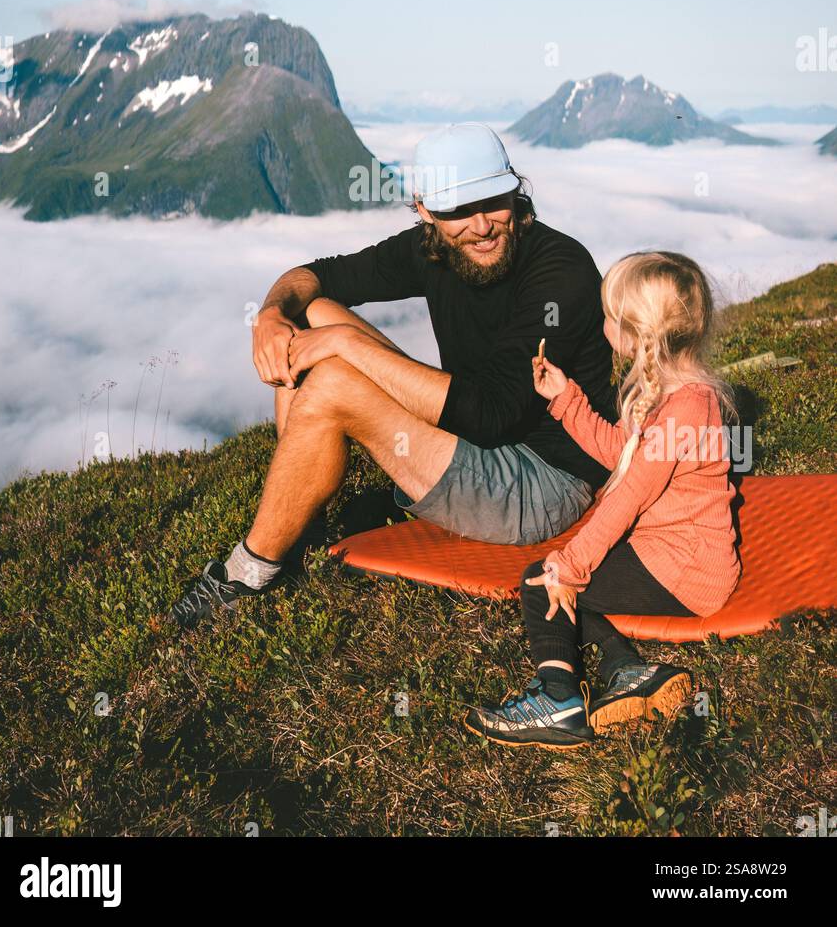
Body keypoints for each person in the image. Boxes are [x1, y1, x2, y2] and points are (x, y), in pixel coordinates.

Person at [169, 122, 614, 631]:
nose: (481, 225)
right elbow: (317, 275)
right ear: (425, 212)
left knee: (334, 378)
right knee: (312, 311)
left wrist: (346, 345)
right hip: (474, 438)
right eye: (456, 211)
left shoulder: (562, 272)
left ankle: (248, 575)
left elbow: (495, 413)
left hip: (545, 483)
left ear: (515, 192)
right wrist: (270, 314)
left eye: (493, 201)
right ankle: (297, 524)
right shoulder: (432, 249)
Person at [463, 250, 740, 749]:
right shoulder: (670, 393)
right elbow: (623, 456)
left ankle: (558, 699)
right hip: (670, 556)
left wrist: (569, 566)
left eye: (611, 316)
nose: (603, 323)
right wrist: (566, 399)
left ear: (638, 332)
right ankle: (627, 668)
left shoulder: (687, 406)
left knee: (539, 583)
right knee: (566, 585)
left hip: (685, 569)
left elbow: (630, 495)